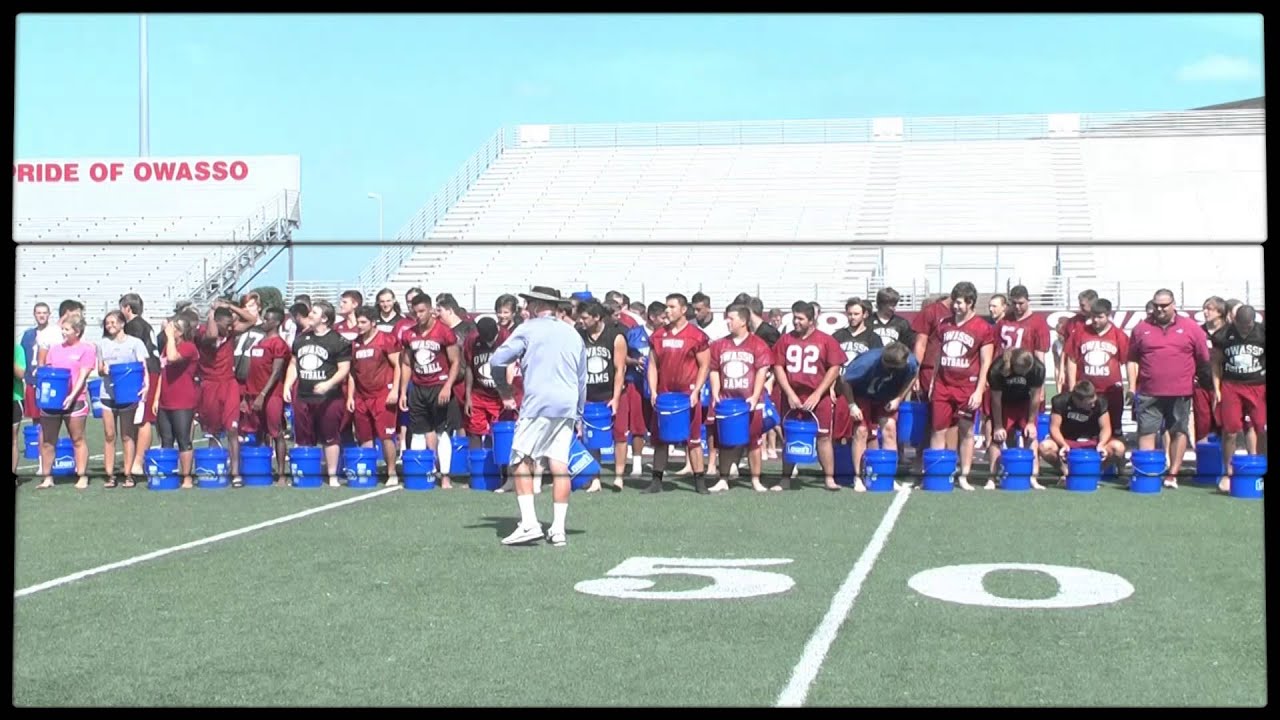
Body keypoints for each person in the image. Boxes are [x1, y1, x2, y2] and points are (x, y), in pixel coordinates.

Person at [490, 286, 588, 547]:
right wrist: (578, 413)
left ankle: (530, 523)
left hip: (538, 404)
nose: (525, 308)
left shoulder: (528, 329)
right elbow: (582, 380)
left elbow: (497, 360)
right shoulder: (572, 333)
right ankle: (558, 529)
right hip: (566, 405)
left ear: (535, 306)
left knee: (518, 458)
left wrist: (503, 388)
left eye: (527, 304)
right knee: (559, 464)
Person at [1127, 289, 1209, 489]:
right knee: (1146, 431)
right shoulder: (1140, 328)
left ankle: (1173, 474)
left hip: (1180, 392)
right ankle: (1148, 473)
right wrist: (1131, 387)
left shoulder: (1191, 327)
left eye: (1164, 305)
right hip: (1148, 392)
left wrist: (1197, 378)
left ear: (1174, 304)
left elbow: (1204, 358)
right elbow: (1131, 359)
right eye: (1156, 305)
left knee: (1178, 431)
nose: (1160, 309)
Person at [927, 282, 995, 491]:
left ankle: (964, 475)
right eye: (954, 302)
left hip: (967, 387)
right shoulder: (944, 324)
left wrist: (979, 390)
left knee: (966, 431)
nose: (955, 307)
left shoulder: (983, 328)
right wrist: (932, 381)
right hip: (943, 384)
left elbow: (986, 363)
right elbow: (939, 354)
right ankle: (937, 474)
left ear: (970, 303)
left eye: (959, 303)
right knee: (938, 429)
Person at [773, 300, 846, 491]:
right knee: (790, 435)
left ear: (811, 320)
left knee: (823, 436)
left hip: (817, 395)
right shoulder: (786, 339)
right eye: (794, 318)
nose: (796, 322)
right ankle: (786, 478)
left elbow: (835, 367)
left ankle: (829, 478)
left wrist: (818, 393)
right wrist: (788, 392)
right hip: (793, 394)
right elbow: (778, 366)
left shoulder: (826, 340)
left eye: (800, 318)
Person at [646, 293, 712, 494]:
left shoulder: (696, 335)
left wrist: (697, 390)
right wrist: (653, 390)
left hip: (687, 395)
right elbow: (652, 365)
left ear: (683, 310)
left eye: (672, 306)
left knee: (693, 439)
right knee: (659, 438)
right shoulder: (658, 335)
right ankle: (656, 481)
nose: (667, 310)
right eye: (666, 306)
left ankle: (699, 481)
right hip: (665, 395)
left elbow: (705, 365)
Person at [285, 300, 353, 486]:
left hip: (329, 398)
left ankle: (332, 475)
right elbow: (293, 364)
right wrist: (287, 385)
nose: (310, 315)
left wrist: (328, 384)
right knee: (304, 437)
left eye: (314, 312)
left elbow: (344, 369)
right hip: (304, 395)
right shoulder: (301, 338)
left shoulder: (338, 340)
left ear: (324, 318)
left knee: (330, 436)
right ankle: (307, 473)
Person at [708, 304, 773, 492]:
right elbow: (714, 370)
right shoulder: (719, 345)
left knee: (754, 442)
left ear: (743, 321)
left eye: (731, 318)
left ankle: (755, 480)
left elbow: (762, 370)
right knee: (725, 442)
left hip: (750, 402)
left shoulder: (757, 344)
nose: (728, 322)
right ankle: (723, 479)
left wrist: (755, 396)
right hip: (728, 402)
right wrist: (715, 393)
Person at [397, 293, 460, 488]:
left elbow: (455, 361)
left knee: (443, 432)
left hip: (439, 387)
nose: (419, 316)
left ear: (431, 310)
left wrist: (447, 387)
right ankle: (421, 472)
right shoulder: (409, 334)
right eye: (415, 312)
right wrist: (402, 392)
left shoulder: (444, 331)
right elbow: (406, 364)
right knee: (418, 431)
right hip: (418, 388)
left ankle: (446, 475)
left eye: (422, 311)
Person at [838, 341, 919, 490]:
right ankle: (858, 477)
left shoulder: (910, 361)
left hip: (887, 395)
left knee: (890, 429)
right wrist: (852, 405)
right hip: (861, 393)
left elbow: (912, 376)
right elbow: (845, 380)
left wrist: (899, 398)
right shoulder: (867, 362)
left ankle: (888, 476)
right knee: (861, 431)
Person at [36, 311, 96, 490]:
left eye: (67, 329)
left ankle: (82, 475)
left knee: (77, 438)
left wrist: (71, 396)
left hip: (76, 400)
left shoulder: (87, 349)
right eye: (62, 329)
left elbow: (83, 376)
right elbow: (49, 374)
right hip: (53, 403)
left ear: (77, 331)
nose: (63, 332)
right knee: (48, 440)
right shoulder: (54, 349)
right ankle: (48, 477)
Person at [1213, 305, 1266, 492]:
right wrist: (1216, 387)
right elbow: (1216, 362)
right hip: (1231, 385)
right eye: (1241, 325)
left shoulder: (1261, 333)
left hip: (1258, 385)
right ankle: (1228, 472)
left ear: (1254, 321)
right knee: (1231, 430)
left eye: (1248, 325)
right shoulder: (1223, 334)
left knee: (1261, 427)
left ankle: (1259, 467)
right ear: (1235, 321)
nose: (1245, 329)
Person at [577, 301, 628, 492]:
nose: (581, 321)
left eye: (584, 318)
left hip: (612, 393)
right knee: (591, 437)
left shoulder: (615, 336)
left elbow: (619, 369)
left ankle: (618, 477)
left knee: (620, 434)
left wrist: (615, 398)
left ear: (596, 317)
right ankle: (595, 478)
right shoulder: (579, 336)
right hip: (590, 394)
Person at [348, 306, 402, 486]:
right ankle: (369, 471)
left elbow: (398, 366)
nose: (359, 326)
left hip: (382, 395)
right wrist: (350, 396)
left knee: (386, 436)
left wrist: (395, 390)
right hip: (362, 396)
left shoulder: (386, 340)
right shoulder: (355, 343)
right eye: (358, 322)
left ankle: (392, 472)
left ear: (373, 322)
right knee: (365, 436)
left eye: (363, 322)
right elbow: (352, 373)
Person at [96, 310, 151, 488]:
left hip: (127, 394)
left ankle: (129, 473)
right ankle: (110, 474)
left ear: (122, 323)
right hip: (107, 394)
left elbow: (143, 367)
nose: (110, 326)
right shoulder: (102, 344)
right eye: (107, 323)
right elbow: (99, 368)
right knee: (109, 435)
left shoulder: (135, 343)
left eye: (113, 322)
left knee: (128, 435)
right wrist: (102, 370)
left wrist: (146, 387)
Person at [242, 307, 292, 484]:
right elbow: (252, 371)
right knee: (260, 431)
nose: (264, 322)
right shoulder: (259, 343)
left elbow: (276, 372)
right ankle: (263, 468)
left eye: (268, 319)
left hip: (271, 395)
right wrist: (246, 397)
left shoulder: (278, 344)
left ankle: (281, 474)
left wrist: (263, 394)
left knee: (276, 432)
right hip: (254, 394)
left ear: (277, 322)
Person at [986, 348, 1047, 490]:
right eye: (1022, 370)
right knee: (997, 438)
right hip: (1004, 403)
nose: (1025, 373)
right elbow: (995, 399)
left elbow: (1035, 397)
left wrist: (1031, 422)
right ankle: (992, 477)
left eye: (1028, 369)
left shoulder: (1037, 368)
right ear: (1013, 365)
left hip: (1025, 402)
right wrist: (998, 426)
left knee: (1031, 436)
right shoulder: (998, 368)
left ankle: (1033, 477)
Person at [1039, 381, 1126, 480]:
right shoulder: (1060, 401)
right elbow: (1054, 427)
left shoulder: (1100, 402)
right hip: (1068, 441)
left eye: (1094, 401)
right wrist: (1063, 444)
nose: (1093, 405)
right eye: (1089, 403)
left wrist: (1101, 444)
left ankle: (1095, 471)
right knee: (1044, 447)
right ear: (1077, 400)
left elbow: (1105, 428)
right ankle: (1065, 470)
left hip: (1092, 441)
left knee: (1118, 448)